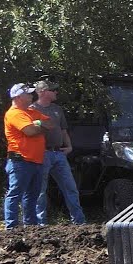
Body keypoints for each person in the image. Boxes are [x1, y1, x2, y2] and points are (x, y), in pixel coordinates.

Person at [30, 80, 86, 225]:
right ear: (42, 92)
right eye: (53, 90)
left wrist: (69, 146)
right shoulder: (31, 109)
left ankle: (79, 222)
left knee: (70, 188)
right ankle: (40, 225)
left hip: (59, 154)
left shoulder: (57, 109)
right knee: (40, 191)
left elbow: (63, 130)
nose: (56, 92)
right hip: (41, 154)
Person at [2, 83, 48, 228]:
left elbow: (52, 124)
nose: (31, 96)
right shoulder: (14, 113)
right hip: (20, 161)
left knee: (32, 196)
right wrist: (41, 127)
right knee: (15, 194)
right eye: (27, 94)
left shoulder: (31, 112)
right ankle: (12, 228)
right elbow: (30, 131)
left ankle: (30, 226)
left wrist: (38, 123)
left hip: (36, 161)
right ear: (18, 97)